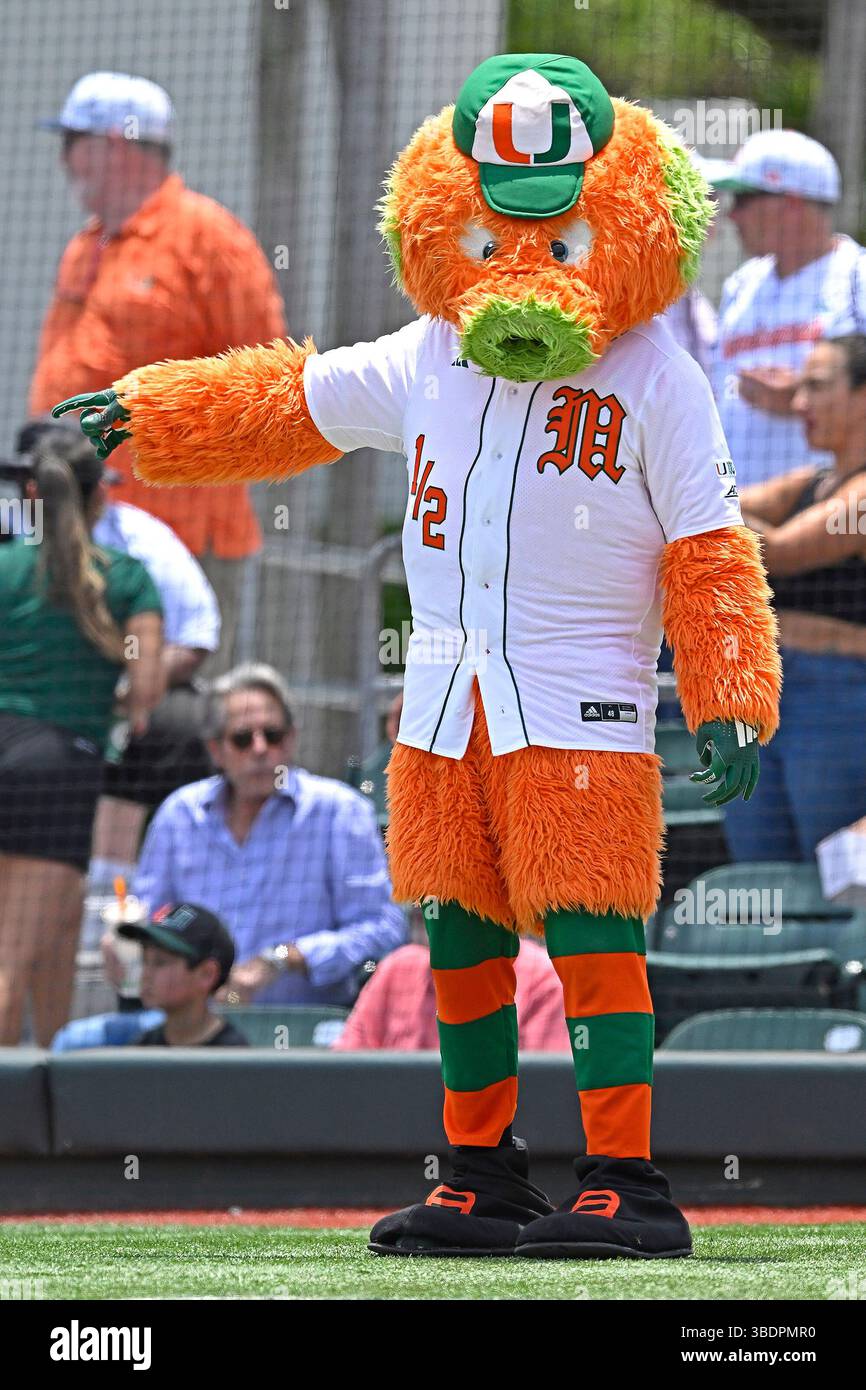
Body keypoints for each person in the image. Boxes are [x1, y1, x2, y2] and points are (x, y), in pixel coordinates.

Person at [30, 71, 287, 674]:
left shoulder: (208, 240)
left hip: (180, 536)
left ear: (114, 144)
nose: (64, 159)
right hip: (87, 526)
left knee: (181, 711)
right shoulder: (85, 244)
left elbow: (271, 377)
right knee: (91, 698)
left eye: (73, 140)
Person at [0, 434, 163, 1044]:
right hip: (56, 765)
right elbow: (146, 687)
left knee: (59, 930)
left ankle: (51, 1089)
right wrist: (105, 697)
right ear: (100, 498)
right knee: (11, 963)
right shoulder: (125, 577)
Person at [133, 663, 407, 1007]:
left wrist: (286, 958)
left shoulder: (339, 811)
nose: (260, 749)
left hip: (303, 1034)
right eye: (242, 739)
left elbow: (384, 928)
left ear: (291, 739)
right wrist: (124, 947)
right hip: (190, 1029)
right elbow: (149, 917)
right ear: (216, 749)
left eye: (272, 735)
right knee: (78, 1042)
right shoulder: (179, 814)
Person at [16, 417, 218, 856]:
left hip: (110, 704)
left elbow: (195, 638)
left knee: (175, 721)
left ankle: (111, 872)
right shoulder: (18, 541)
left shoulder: (142, 541)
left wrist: (119, 691)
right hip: (41, 714)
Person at [726, 334, 866, 861]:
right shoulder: (812, 481)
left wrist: (688, 491)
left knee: (833, 879)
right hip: (763, 696)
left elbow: (780, 550)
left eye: (817, 387)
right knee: (759, 874)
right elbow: (732, 511)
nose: (800, 404)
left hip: (836, 700)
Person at [710, 129, 866, 488]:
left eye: (744, 200)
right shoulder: (741, 284)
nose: (734, 216)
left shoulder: (856, 276)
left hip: (826, 514)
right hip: (740, 514)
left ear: (792, 204)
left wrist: (804, 395)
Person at [333, 911, 569, 1051]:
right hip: (394, 1133)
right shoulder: (397, 969)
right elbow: (343, 1078)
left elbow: (542, 1101)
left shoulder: (542, 980)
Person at [120, 902, 248, 1047]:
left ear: (206, 974)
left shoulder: (233, 1056)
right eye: (144, 960)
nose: (145, 975)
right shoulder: (143, 1047)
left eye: (160, 962)